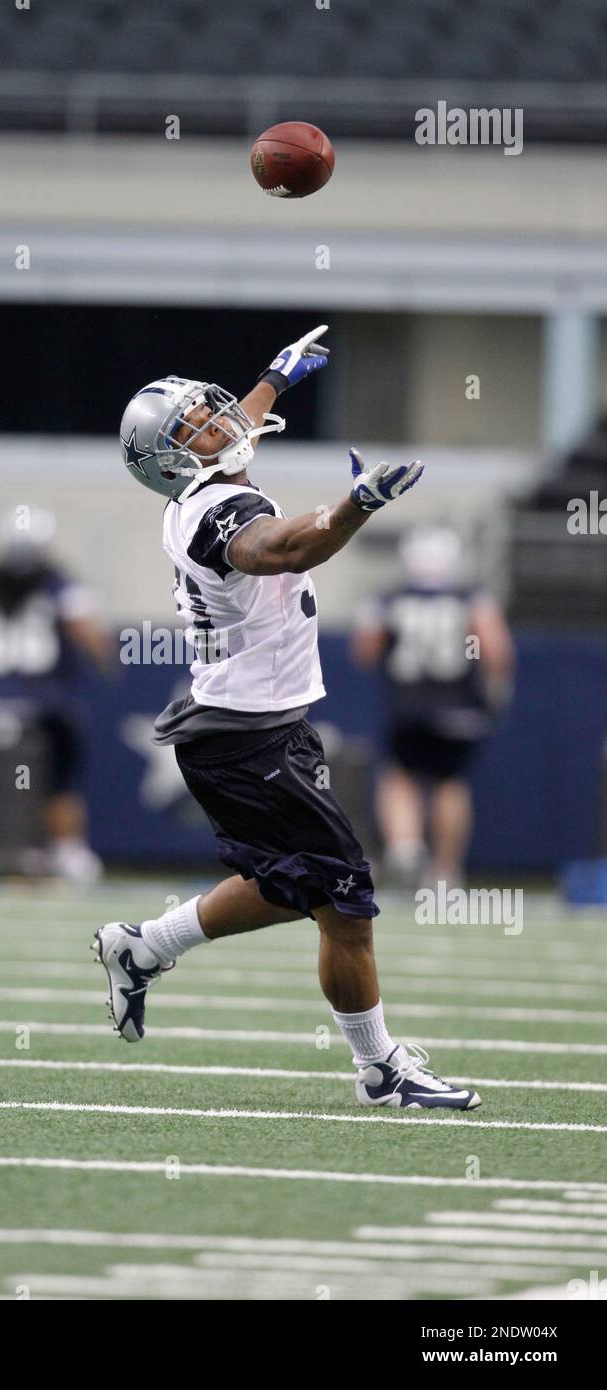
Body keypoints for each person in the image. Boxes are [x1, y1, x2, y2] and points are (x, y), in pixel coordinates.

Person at [94, 324, 482, 1111]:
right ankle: (381, 1070)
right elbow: (286, 549)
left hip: (251, 726)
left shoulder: (202, 486)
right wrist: (358, 504)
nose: (225, 420)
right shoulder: (216, 513)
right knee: (346, 902)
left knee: (288, 882)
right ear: (178, 456)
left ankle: (144, 946)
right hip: (249, 738)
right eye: (202, 421)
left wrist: (274, 377)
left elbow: (233, 442)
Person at [0, 507, 112, 885]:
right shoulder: (59, 583)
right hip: (47, 702)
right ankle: (66, 849)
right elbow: (91, 638)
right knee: (60, 780)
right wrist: (104, 658)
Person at [351, 525, 514, 887]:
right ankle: (444, 870)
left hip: (408, 706)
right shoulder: (471, 597)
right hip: (460, 707)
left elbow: (366, 652)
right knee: (450, 783)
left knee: (400, 776)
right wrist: (495, 688)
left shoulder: (389, 599)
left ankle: (406, 850)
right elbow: (495, 650)